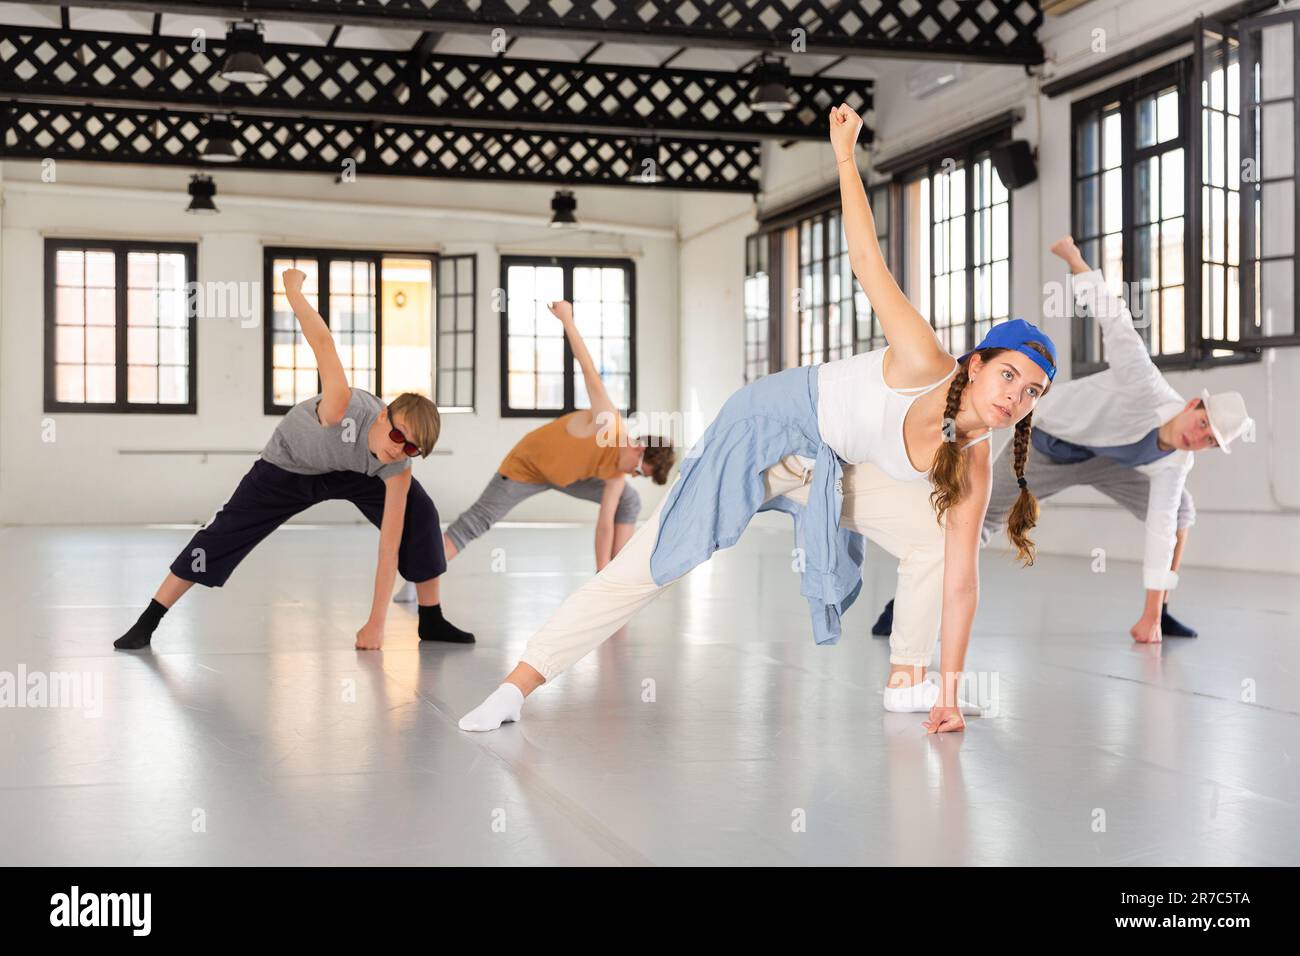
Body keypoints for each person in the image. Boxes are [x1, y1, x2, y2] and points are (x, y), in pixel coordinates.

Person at [456, 102, 1058, 736]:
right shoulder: (924, 361)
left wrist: (952, 694)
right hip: (766, 426)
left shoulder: (976, 459)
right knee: (656, 561)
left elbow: (961, 583)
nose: (1015, 397)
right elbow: (866, 264)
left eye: (1032, 392)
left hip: (827, 467)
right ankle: (515, 687)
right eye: (1008, 375)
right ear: (977, 362)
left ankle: (910, 684)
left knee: (933, 542)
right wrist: (846, 159)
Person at [870, 235, 1254, 644]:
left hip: (1103, 462)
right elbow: (1116, 321)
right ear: (1193, 403)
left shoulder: (1176, 461)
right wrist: (1075, 260)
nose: (1199, 439)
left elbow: (1161, 529)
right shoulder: (1145, 385)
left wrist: (1149, 616)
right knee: (978, 518)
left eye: (1210, 441)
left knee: (1180, 511)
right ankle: (904, 606)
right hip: (1045, 445)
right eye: (1202, 425)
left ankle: (1160, 611)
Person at [114, 267, 472, 651]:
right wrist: (293, 291)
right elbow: (322, 341)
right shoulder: (341, 407)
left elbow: (389, 544)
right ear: (384, 414)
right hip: (290, 467)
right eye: (398, 435)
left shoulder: (395, 464)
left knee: (421, 514)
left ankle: (430, 619)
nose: (400, 448)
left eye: (412, 448)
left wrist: (375, 624)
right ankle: (147, 621)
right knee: (222, 534)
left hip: (355, 473)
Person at [435, 300, 675, 574]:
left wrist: (602, 574)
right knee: (476, 522)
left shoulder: (617, 475)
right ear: (637, 446)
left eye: (639, 475)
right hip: (526, 469)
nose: (633, 475)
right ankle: (419, 578)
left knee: (628, 499)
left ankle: (616, 580)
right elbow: (587, 368)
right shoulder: (607, 422)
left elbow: (605, 524)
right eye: (638, 470)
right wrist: (567, 321)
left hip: (568, 478)